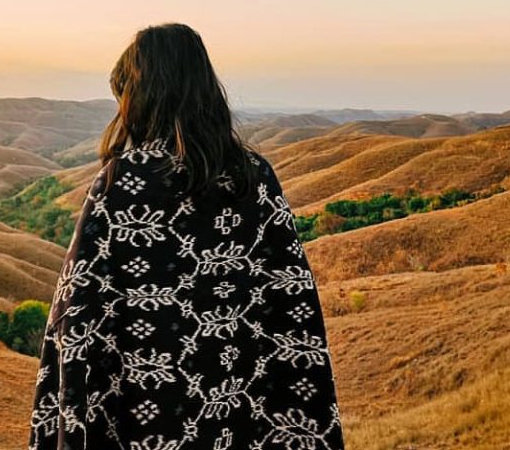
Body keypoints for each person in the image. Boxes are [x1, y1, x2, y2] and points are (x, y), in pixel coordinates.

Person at [27, 23, 344, 450]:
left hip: (145, 417)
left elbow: (76, 319)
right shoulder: (255, 178)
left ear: (141, 97)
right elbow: (291, 308)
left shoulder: (123, 183)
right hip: (238, 413)